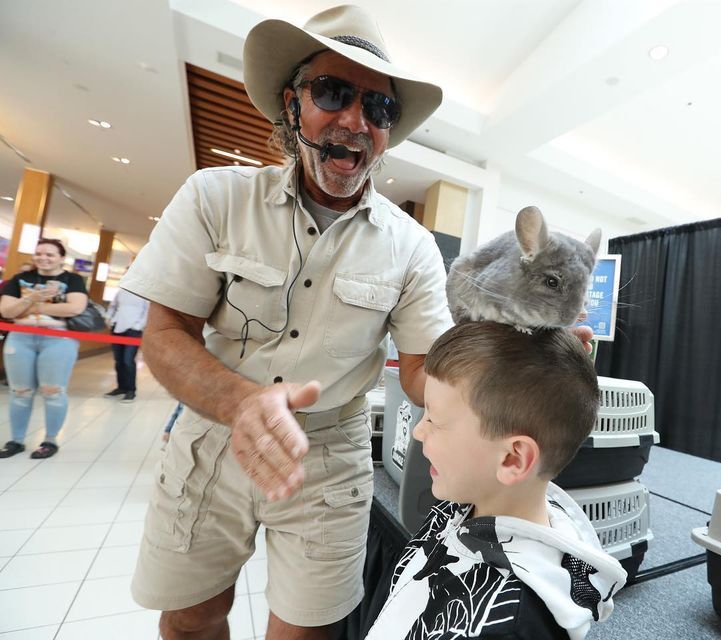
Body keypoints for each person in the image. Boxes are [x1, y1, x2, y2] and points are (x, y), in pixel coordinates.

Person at [119, 6, 452, 639]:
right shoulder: (215, 197)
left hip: (332, 453)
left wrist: (518, 362)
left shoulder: (413, 248)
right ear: (290, 104)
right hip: (212, 436)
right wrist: (239, 402)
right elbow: (164, 336)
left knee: (307, 632)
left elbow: (424, 372)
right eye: (333, 92)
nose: (356, 121)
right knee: (190, 620)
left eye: (379, 109)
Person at [365, 321, 626, 639]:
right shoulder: (469, 500)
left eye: (435, 419)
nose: (419, 431)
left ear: (513, 459)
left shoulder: (509, 624)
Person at [0, 239, 88, 459]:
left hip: (58, 340)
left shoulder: (73, 279)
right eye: (39, 253)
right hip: (21, 339)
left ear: (60, 257)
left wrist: (29, 306)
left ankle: (50, 440)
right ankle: (17, 440)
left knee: (53, 391)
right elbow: (7, 311)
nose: (43, 258)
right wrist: (31, 297)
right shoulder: (20, 279)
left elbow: (75, 307)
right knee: (20, 392)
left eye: (50, 254)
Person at [104, 286, 149, 403]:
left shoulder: (145, 293)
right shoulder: (121, 292)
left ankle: (131, 391)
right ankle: (121, 388)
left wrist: (138, 326)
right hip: (117, 328)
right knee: (118, 361)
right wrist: (109, 318)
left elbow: (147, 312)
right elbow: (113, 306)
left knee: (128, 360)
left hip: (133, 330)